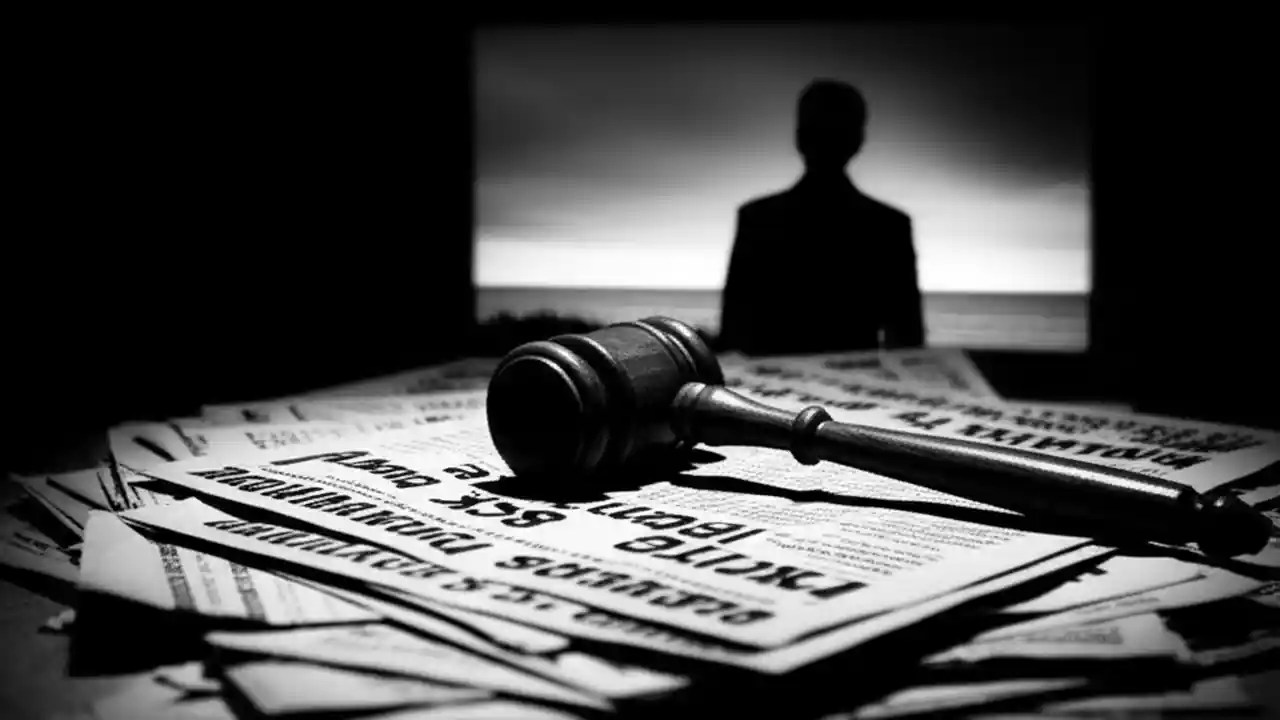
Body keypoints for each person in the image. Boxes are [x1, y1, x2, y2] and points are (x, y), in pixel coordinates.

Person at [718, 79, 925, 355]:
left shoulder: (757, 219)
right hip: (854, 387)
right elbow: (908, 340)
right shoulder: (889, 226)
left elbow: (734, 333)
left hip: (767, 388)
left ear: (799, 137)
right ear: (858, 140)